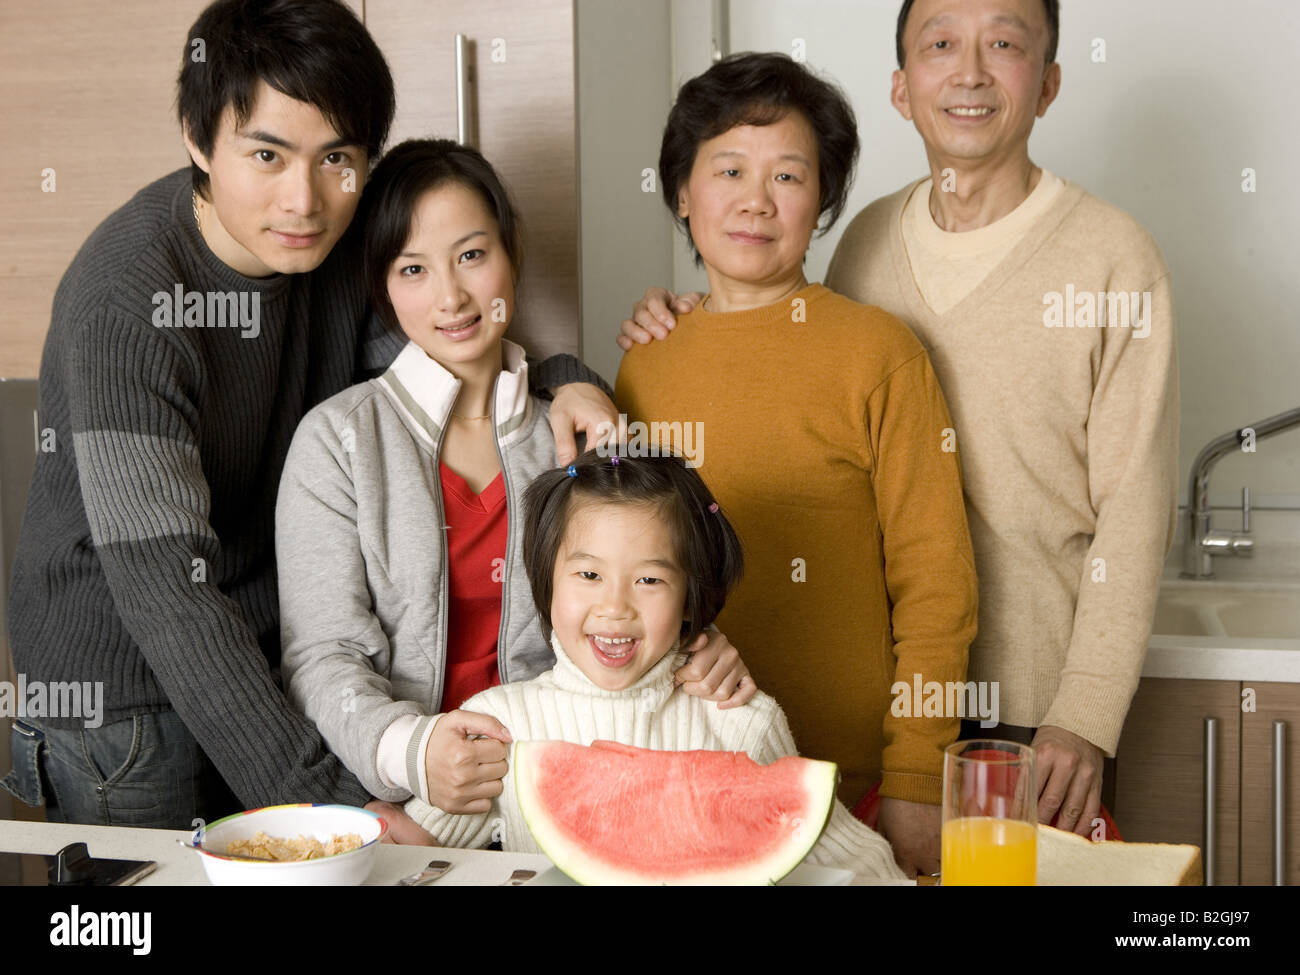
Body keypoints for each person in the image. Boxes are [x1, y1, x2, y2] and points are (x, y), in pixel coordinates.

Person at [1, 0, 620, 832]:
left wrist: (569, 380)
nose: (304, 199)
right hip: (125, 691)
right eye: (266, 154)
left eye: (338, 158)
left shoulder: (334, 245)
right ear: (196, 139)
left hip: (259, 660)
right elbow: (167, 595)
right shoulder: (126, 299)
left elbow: (450, 347)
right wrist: (335, 801)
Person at [620, 0, 1179, 871]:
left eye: (1005, 44)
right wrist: (679, 325)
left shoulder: (1113, 258)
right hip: (801, 725)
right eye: (941, 45)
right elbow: (777, 350)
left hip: (1036, 700)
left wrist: (1086, 712)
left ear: (1050, 82)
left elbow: (1136, 508)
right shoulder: (871, 243)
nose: (969, 71)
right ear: (901, 87)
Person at [277, 139, 755, 817]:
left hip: (566, 788)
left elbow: (637, 588)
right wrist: (412, 751)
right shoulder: (337, 442)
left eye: (472, 255)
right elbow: (325, 656)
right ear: (382, 287)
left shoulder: (578, 436)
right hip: (399, 803)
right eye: (413, 269)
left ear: (512, 253)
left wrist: (699, 645)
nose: (451, 295)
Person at [614, 52, 978, 878]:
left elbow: (938, 579)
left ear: (820, 204)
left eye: (788, 175)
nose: (755, 199)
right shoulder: (646, 359)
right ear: (680, 191)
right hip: (691, 776)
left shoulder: (878, 352)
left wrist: (920, 774)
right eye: (729, 169)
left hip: (857, 784)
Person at [404, 450, 909, 882]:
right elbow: (418, 852)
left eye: (649, 580)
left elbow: (859, 862)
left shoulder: (741, 720)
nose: (615, 606)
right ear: (547, 580)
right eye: (588, 574)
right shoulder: (502, 727)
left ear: (691, 597)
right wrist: (373, 831)